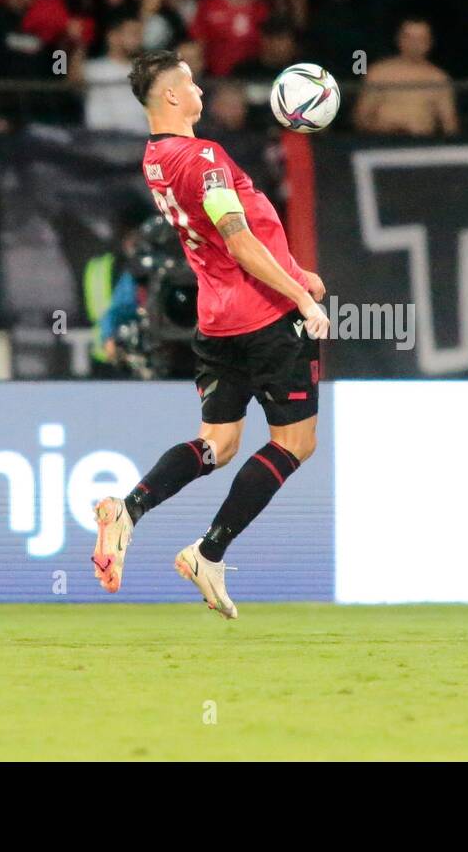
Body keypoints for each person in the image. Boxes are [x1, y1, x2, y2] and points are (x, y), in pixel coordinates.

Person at [90, 49, 330, 618]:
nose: (200, 88)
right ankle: (209, 551)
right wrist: (298, 295)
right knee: (296, 443)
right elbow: (239, 238)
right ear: (172, 96)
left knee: (217, 446)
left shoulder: (157, 158)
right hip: (267, 319)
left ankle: (129, 509)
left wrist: (296, 272)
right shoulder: (203, 157)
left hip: (216, 318)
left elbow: (228, 245)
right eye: (191, 81)